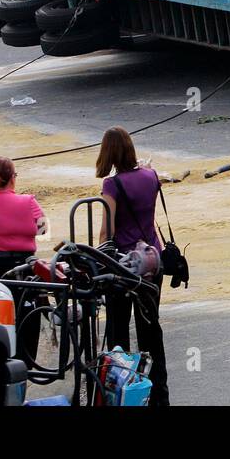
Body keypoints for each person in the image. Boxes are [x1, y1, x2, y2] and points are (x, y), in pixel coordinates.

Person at [96, 126, 169, 406]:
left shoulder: (111, 185)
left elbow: (107, 231)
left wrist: (97, 255)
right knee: (151, 330)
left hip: (124, 267)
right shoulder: (150, 175)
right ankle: (159, 396)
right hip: (152, 259)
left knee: (118, 332)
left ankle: (123, 393)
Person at [0, 157, 48, 363]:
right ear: (12, 178)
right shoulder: (27, 201)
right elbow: (43, 229)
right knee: (25, 319)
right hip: (19, 266)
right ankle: (24, 362)